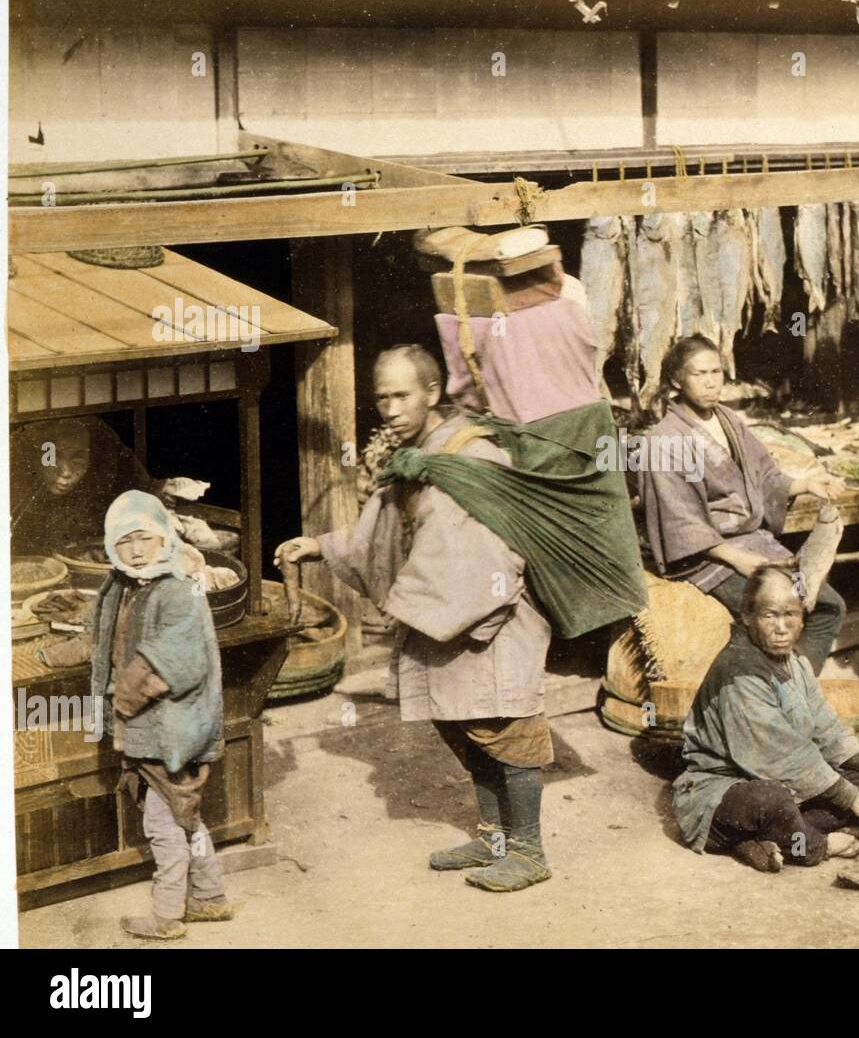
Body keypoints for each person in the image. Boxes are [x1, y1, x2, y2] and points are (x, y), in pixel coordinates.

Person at [276, 344, 554, 891]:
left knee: (505, 728)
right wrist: (322, 545)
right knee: (461, 726)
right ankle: (494, 837)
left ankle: (529, 850)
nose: (391, 409)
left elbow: (485, 552)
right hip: (440, 616)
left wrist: (410, 603)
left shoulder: (472, 457)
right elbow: (381, 533)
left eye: (403, 395)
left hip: (489, 616)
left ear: (432, 393)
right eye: (382, 398)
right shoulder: (414, 456)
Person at [37, 490, 231, 940]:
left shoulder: (178, 591)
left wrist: (121, 697)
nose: (136, 549)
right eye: (125, 541)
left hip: (172, 730)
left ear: (164, 539)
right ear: (111, 546)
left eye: (145, 538)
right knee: (186, 817)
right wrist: (52, 655)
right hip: (149, 730)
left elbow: (173, 659)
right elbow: (95, 637)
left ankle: (167, 916)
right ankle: (210, 897)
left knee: (162, 826)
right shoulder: (119, 585)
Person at [673, 565, 859, 872]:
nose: (782, 627)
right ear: (747, 616)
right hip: (724, 790)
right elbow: (780, 755)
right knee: (770, 801)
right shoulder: (738, 673)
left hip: (784, 784)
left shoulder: (795, 663)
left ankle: (763, 841)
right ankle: (815, 846)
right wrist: (853, 799)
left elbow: (826, 729)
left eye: (791, 615)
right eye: (769, 615)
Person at [639, 335, 847, 675]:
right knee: (777, 613)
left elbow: (764, 474)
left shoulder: (728, 420)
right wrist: (737, 558)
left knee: (828, 606)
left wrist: (805, 484)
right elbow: (680, 520)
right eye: (699, 374)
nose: (711, 383)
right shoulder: (664, 441)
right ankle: (773, 691)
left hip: (753, 542)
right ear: (677, 380)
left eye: (716, 372)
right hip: (707, 555)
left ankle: (797, 687)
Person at [10, 417, 163, 555]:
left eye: (77, 459)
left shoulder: (107, 462)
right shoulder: (13, 477)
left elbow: (146, 494)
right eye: (53, 458)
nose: (66, 472)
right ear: (35, 456)